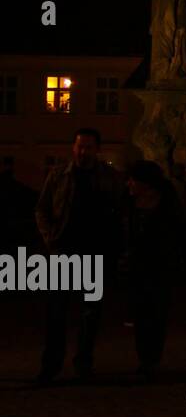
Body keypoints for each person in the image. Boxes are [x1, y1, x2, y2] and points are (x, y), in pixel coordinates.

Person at [34, 127, 125, 384]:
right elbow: (41, 208)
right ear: (73, 148)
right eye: (79, 146)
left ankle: (83, 363)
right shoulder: (59, 175)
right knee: (56, 313)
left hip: (95, 252)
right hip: (63, 250)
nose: (83, 151)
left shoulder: (109, 177)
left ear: (96, 149)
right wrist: (50, 237)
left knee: (90, 314)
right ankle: (51, 365)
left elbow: (118, 213)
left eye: (88, 147)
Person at [123, 160, 186, 379]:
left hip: (160, 267)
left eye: (133, 180)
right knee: (141, 315)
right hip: (137, 267)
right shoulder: (129, 204)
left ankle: (152, 358)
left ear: (146, 183)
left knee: (157, 314)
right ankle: (145, 358)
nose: (129, 183)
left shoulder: (167, 205)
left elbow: (181, 233)